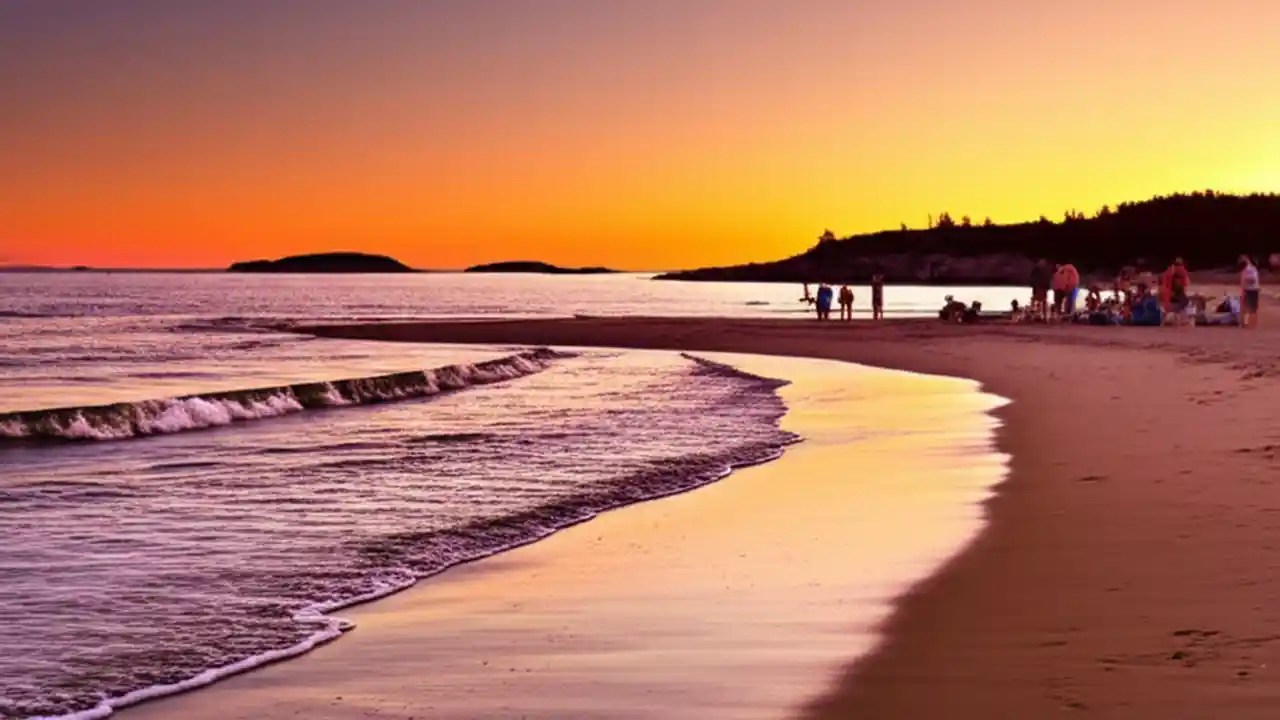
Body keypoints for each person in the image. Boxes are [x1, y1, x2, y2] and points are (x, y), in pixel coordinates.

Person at [1162, 257, 1191, 326]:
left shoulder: (1174, 272)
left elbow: (1185, 284)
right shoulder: (1172, 273)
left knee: (1184, 303)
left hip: (1173, 297)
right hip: (1172, 298)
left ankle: (1177, 317)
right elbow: (1185, 284)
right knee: (1184, 302)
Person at [1240, 254, 1261, 329]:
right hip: (1253, 289)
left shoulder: (1245, 270)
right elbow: (1253, 279)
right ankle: (1252, 322)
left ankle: (1247, 322)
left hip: (1249, 289)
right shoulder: (1252, 269)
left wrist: (1242, 291)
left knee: (1247, 307)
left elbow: (1243, 281)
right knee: (1253, 308)